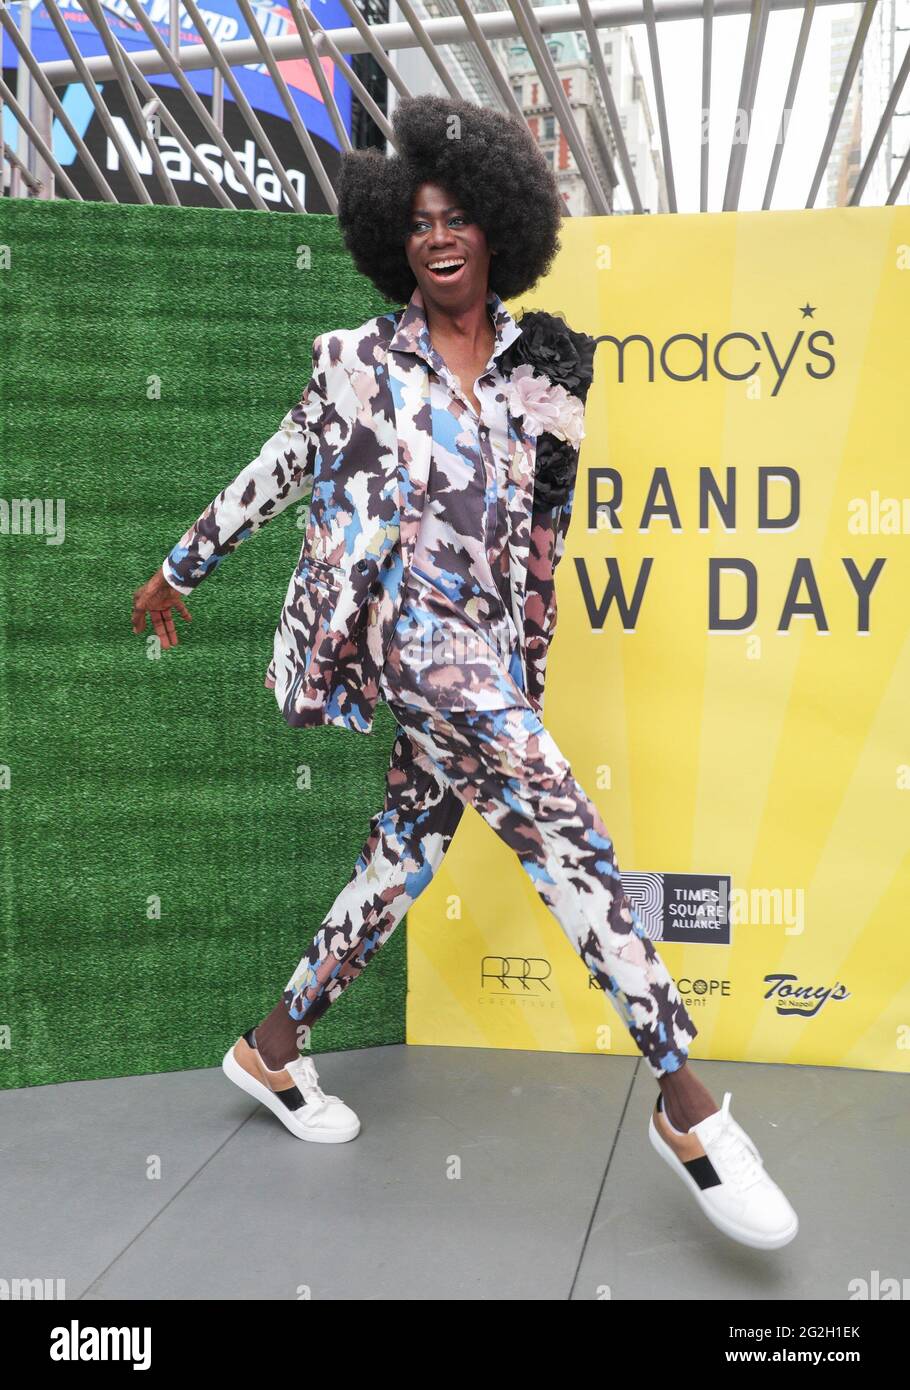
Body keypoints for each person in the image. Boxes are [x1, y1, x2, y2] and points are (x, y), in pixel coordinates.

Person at [131, 95, 797, 1251]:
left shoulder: (544, 378)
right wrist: (181, 568)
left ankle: (270, 1049)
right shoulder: (356, 363)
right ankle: (686, 1103)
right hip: (406, 644)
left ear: (497, 228)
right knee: (569, 834)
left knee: (400, 860)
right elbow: (281, 464)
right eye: (419, 223)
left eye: (457, 219)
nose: (438, 238)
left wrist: (524, 675)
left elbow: (543, 545)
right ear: (398, 237)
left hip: (487, 659)